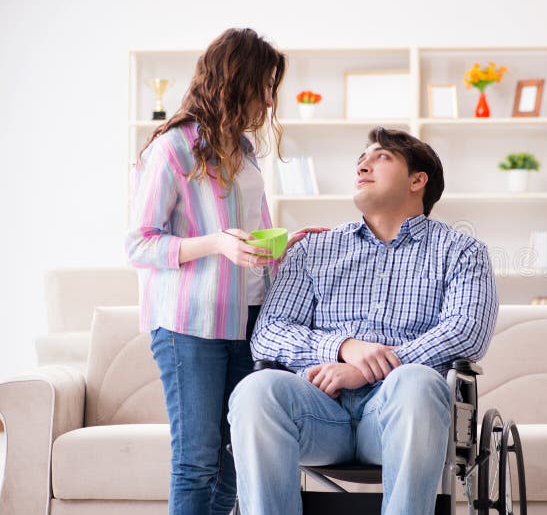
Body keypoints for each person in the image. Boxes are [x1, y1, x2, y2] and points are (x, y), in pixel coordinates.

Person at [228, 126, 499, 515]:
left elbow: (466, 332)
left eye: (381, 157)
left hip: (399, 414)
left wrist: (367, 371)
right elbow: (269, 333)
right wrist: (342, 349)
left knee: (417, 381)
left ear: (417, 180)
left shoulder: (462, 252)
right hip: (319, 411)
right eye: (360, 160)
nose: (363, 165)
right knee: (257, 390)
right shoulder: (313, 249)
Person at [125, 28, 323, 515]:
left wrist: (285, 245)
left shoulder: (246, 151)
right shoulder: (173, 149)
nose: (271, 99)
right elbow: (138, 243)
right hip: (189, 325)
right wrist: (217, 244)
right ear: (237, 81)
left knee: (237, 458)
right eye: (265, 85)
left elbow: (255, 237)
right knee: (197, 461)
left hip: (251, 322)